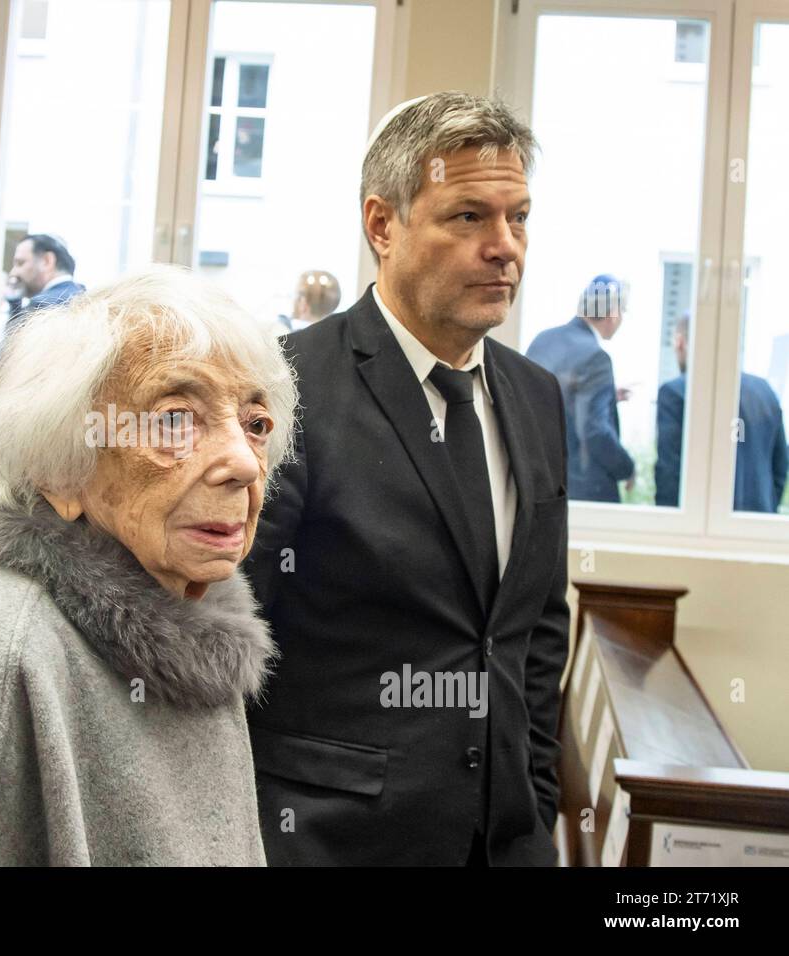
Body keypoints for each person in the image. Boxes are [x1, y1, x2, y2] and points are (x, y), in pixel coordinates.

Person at [0, 267, 298, 866]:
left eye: (255, 424)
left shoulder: (190, 612)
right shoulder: (4, 649)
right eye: (177, 420)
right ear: (60, 469)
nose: (243, 461)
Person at [243, 91, 570, 867]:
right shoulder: (285, 388)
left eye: (517, 217)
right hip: (330, 841)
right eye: (468, 218)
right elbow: (230, 630)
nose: (505, 247)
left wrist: (537, 799)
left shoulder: (535, 396)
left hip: (504, 843)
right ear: (381, 225)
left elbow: (537, 629)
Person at [656, 321, 787, 512]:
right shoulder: (764, 392)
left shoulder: (678, 392)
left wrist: (669, 525)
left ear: (680, 342)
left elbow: (669, 471)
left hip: (698, 523)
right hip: (758, 522)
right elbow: (780, 467)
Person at [526, 274, 635, 502]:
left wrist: (608, 397)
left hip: (537, 482)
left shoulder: (543, 340)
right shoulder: (597, 357)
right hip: (583, 493)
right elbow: (594, 431)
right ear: (613, 314)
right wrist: (626, 467)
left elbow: (546, 400)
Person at [3, 233, 85, 330]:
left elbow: (13, 344)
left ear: (47, 261)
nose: (13, 272)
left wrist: (14, 305)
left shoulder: (41, 305)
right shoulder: (85, 297)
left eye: (20, 263)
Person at [272, 269, 341, 336]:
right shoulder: (332, 337)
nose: (290, 298)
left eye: (294, 294)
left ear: (303, 303)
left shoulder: (279, 332)